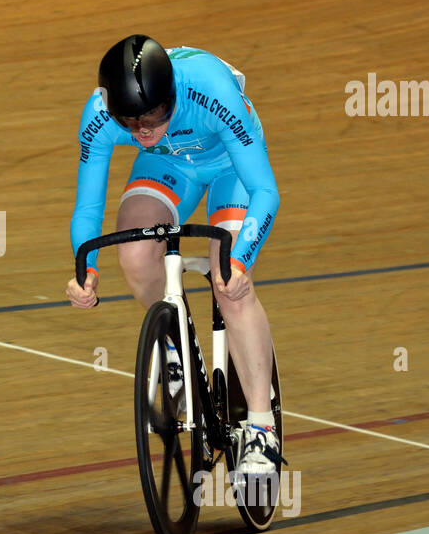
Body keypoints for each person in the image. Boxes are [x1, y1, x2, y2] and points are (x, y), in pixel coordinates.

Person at [65, 35, 281, 473]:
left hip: (230, 169)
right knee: (133, 254)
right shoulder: (99, 115)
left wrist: (239, 259)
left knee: (230, 284)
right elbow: (88, 208)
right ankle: (174, 347)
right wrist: (84, 269)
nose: (143, 129)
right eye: (130, 120)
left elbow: (265, 190)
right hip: (170, 167)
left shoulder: (211, 90)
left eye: (156, 114)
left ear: (173, 98)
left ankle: (261, 427)